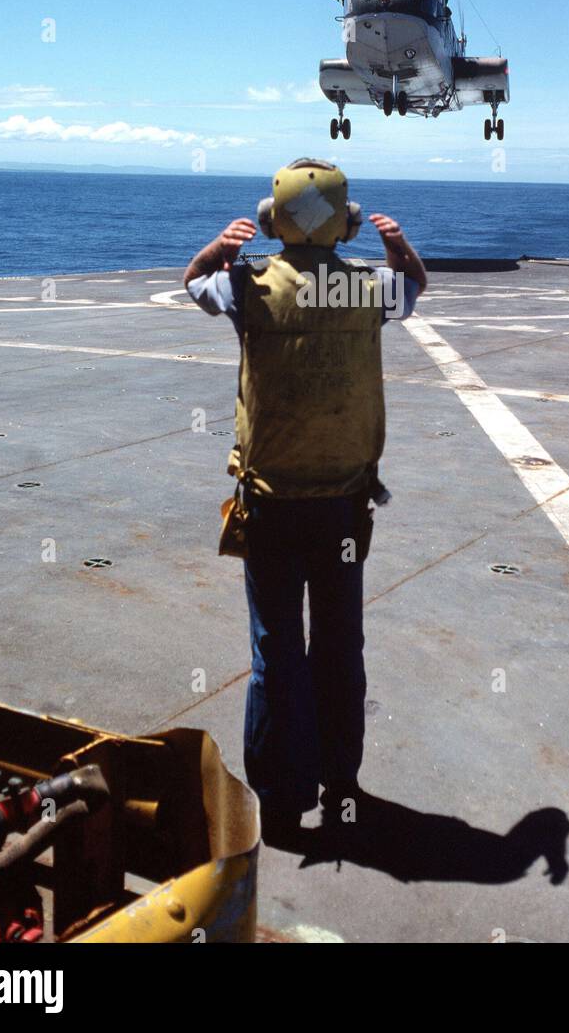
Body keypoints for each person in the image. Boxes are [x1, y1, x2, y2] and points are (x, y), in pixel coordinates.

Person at [183, 158, 427, 844]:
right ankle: (339, 778)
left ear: (271, 221)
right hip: (344, 506)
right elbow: (414, 284)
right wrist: (395, 244)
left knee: (275, 650)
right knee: (340, 643)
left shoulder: (245, 285)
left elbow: (191, 281)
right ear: (345, 224)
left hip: (271, 505)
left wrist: (218, 247)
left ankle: (281, 799)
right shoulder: (371, 288)